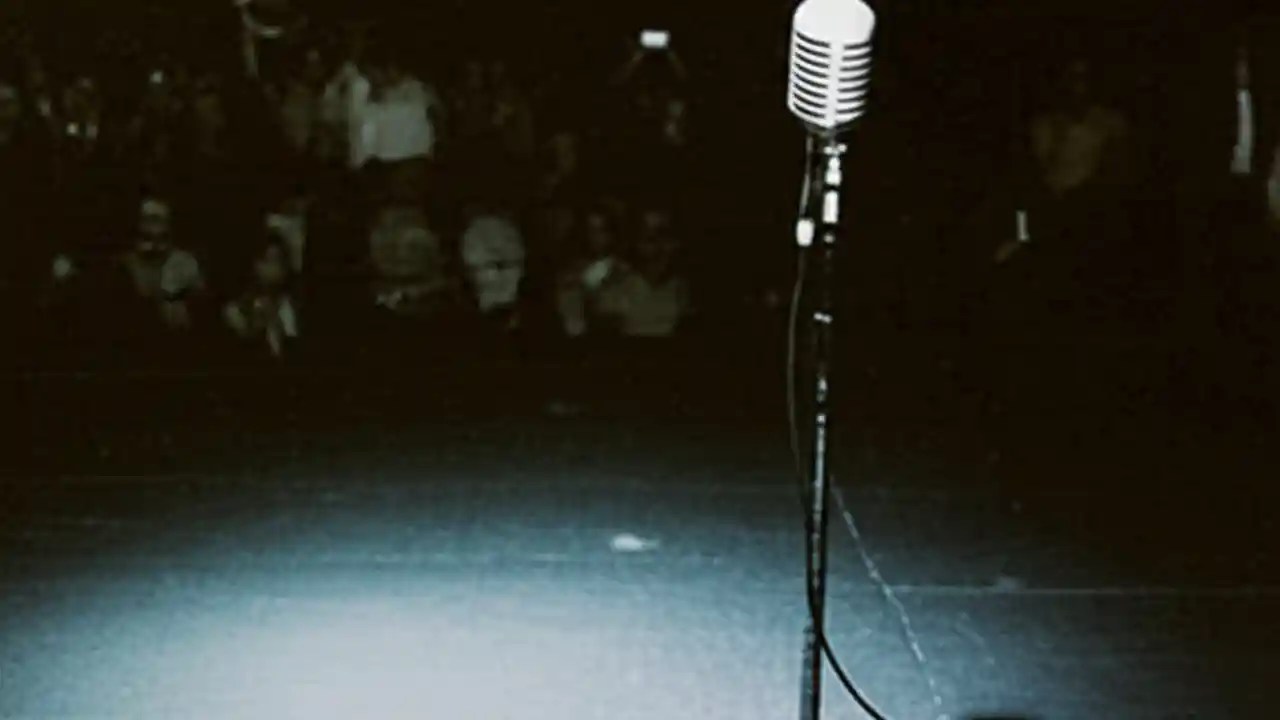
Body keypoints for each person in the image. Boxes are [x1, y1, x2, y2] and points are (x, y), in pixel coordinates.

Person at [223, 232, 301, 360]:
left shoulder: (294, 306)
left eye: (279, 261)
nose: (273, 268)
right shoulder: (237, 310)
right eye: (267, 261)